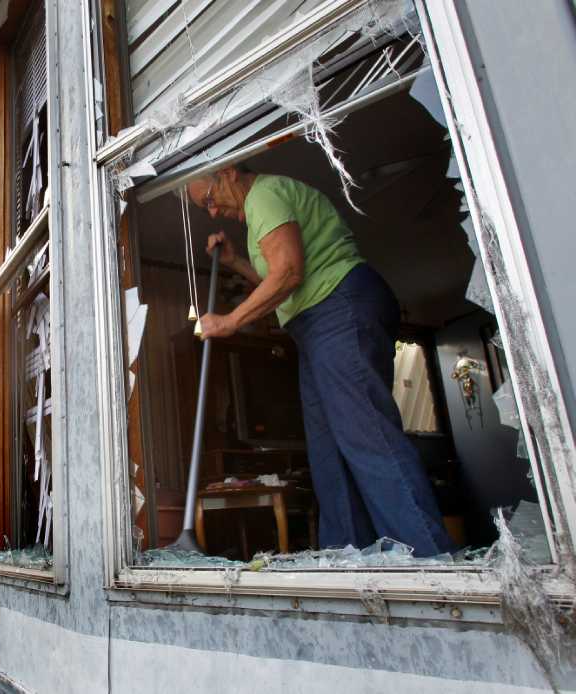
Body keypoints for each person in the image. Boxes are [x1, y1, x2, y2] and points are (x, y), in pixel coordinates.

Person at [186, 165, 455, 557]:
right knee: (328, 452)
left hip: (338, 308)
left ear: (227, 174)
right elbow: (278, 277)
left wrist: (230, 321)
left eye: (208, 200)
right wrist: (235, 261)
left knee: (366, 435)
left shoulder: (265, 192)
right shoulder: (260, 212)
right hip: (313, 325)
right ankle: (349, 557)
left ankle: (430, 559)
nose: (211, 212)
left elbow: (290, 272)